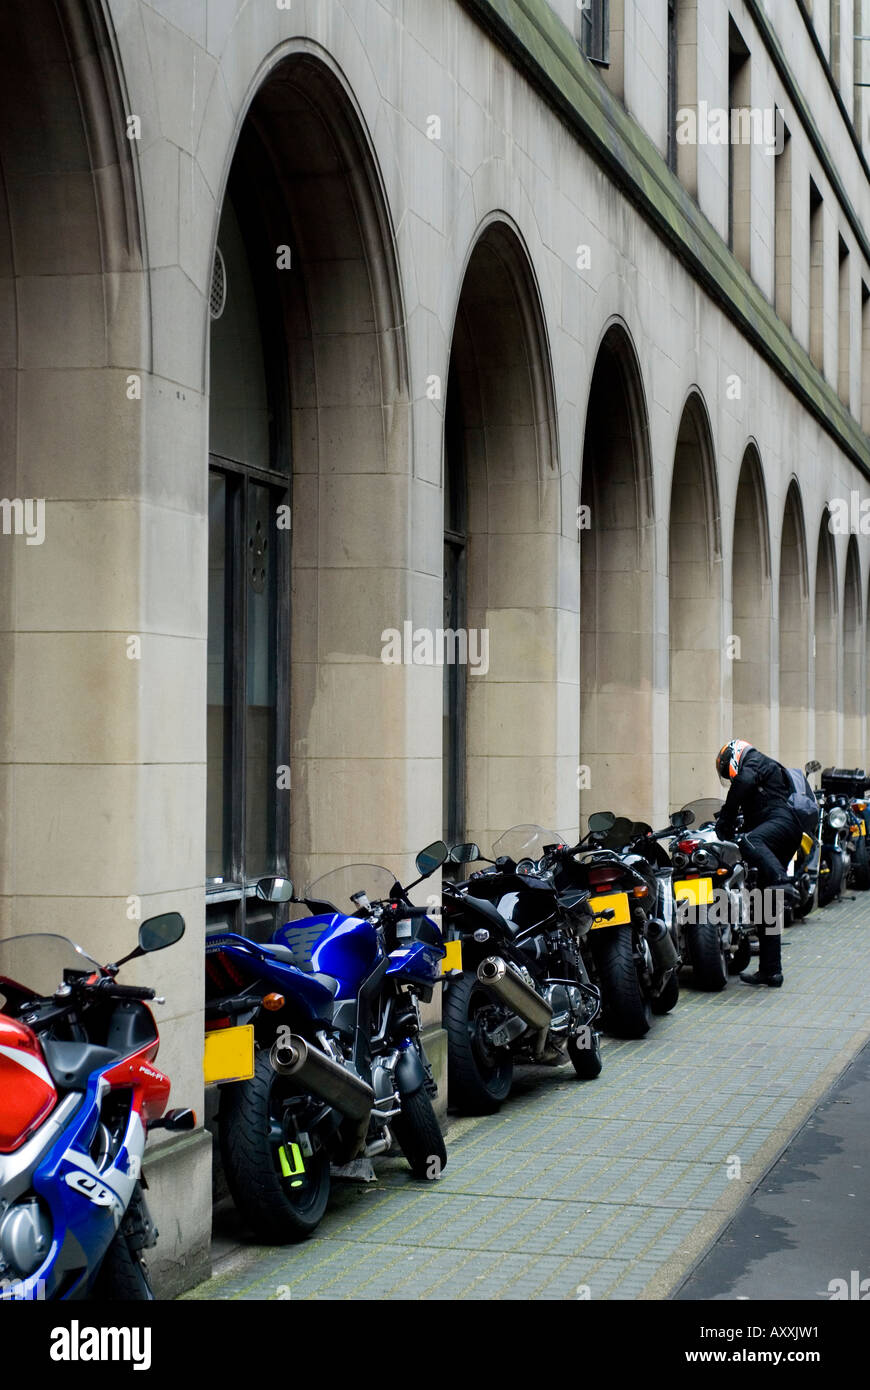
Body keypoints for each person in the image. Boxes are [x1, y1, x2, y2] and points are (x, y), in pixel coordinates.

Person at [714, 739, 805, 988]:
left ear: (733, 756)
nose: (730, 777)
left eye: (726, 769)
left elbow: (743, 783)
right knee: (767, 904)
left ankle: (784, 881)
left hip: (781, 823)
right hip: (781, 832)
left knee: (750, 840)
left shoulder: (754, 761)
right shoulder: (761, 770)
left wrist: (725, 819)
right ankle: (771, 971)